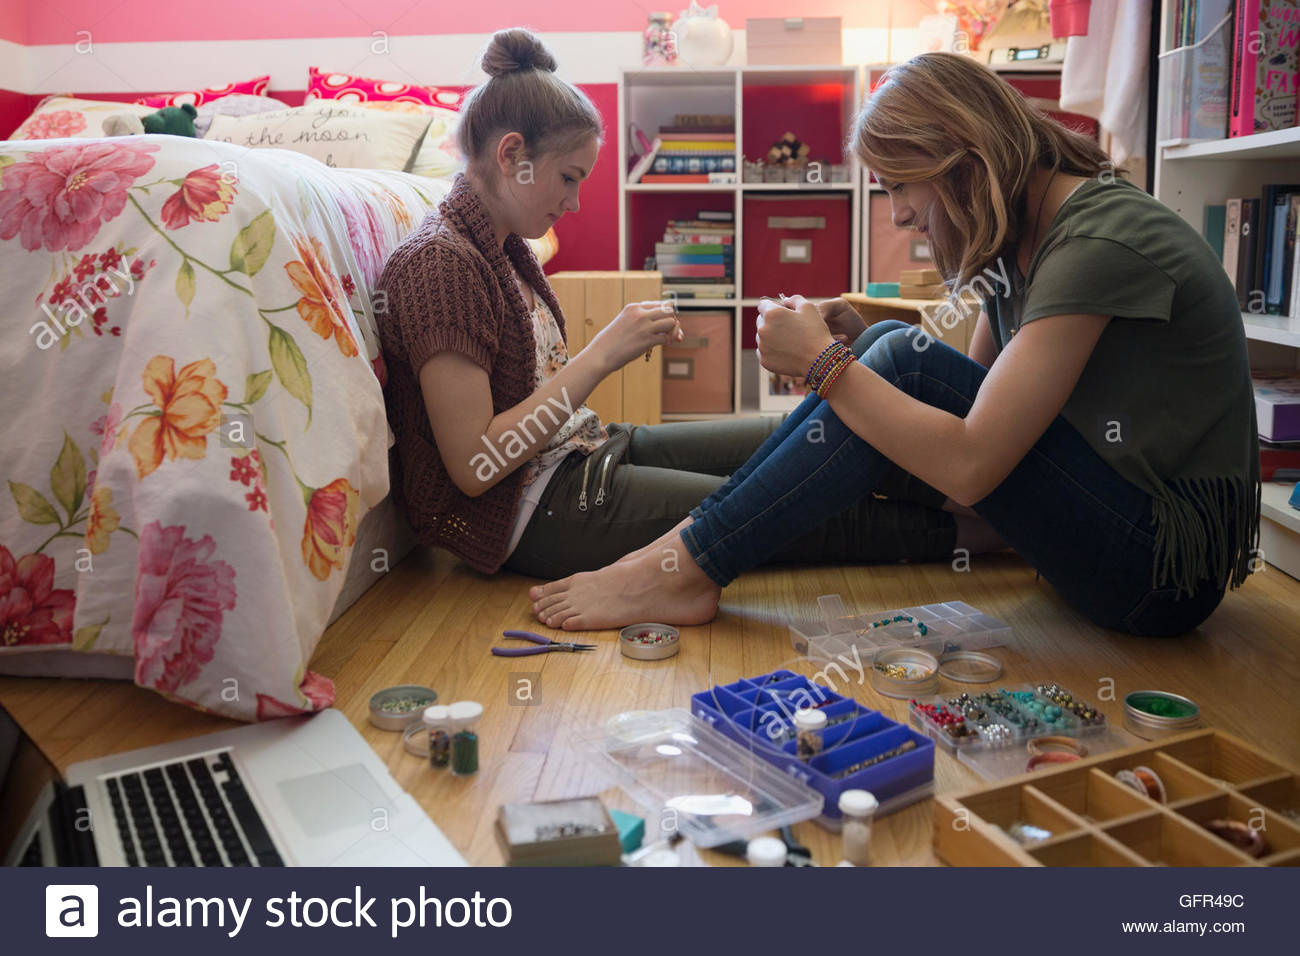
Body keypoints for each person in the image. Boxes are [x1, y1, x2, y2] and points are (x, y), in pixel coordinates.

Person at [529, 51, 1260, 638]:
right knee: (886, 343)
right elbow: (959, 432)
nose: (902, 213)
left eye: (901, 185)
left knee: (894, 358)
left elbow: (972, 466)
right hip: (1105, 529)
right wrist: (858, 349)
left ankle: (686, 563)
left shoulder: (1097, 239)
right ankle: (687, 554)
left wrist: (826, 364)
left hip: (1157, 578)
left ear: (962, 159)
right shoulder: (1025, 241)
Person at [377, 32, 996, 582]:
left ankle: (977, 494)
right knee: (781, 503)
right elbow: (475, 467)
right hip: (530, 512)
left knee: (801, 434)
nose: (574, 203)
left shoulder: (505, 250)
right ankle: (990, 534)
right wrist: (600, 357)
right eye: (569, 178)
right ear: (513, 155)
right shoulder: (442, 266)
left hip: (584, 454)